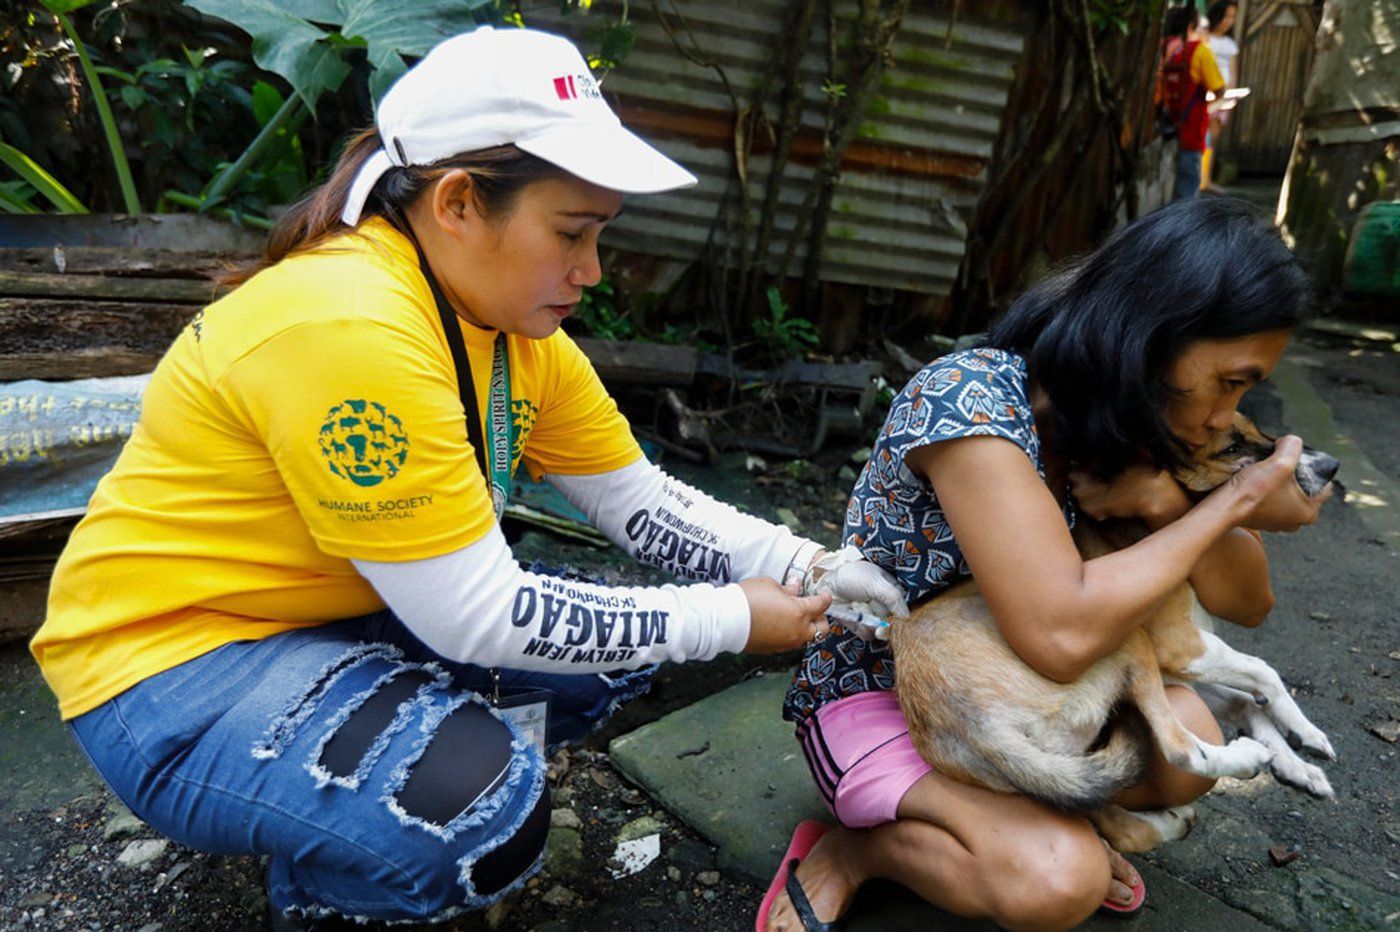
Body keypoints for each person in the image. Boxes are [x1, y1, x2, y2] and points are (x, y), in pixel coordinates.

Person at [28, 27, 908, 929]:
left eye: (600, 234)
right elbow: (478, 614)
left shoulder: (512, 333)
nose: (591, 270)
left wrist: (811, 572)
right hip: (174, 670)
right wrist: (732, 619)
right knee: (484, 816)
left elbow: (641, 503)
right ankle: (325, 880)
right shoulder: (349, 325)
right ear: (456, 203)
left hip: (333, 615)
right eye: (571, 232)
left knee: (601, 668)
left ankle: (338, 775)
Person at [761, 196, 1329, 932]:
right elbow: (1056, 636)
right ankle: (858, 852)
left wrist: (1162, 501)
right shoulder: (970, 401)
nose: (1227, 416)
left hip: (1037, 703)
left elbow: (1248, 600)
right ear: (1157, 331)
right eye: (1229, 380)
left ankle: (1026, 818)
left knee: (1193, 733)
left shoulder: (1127, 422)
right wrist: (1231, 501)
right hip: (897, 700)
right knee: (1058, 882)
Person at [1160, 4, 1227, 200]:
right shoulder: (1199, 52)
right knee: (1186, 193)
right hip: (1189, 133)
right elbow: (1218, 89)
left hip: (1161, 129)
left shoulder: (1162, 49)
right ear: (1191, 26)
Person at [1203, 1, 1240, 189]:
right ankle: (1203, 180)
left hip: (1223, 98)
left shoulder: (1230, 44)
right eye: (1226, 16)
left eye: (1232, 17)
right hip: (1206, 95)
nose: (1229, 21)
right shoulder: (1205, 37)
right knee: (1202, 137)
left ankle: (1206, 179)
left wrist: (1230, 96)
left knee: (1212, 138)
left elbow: (1232, 73)